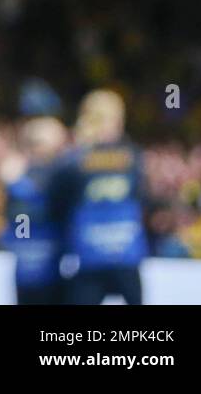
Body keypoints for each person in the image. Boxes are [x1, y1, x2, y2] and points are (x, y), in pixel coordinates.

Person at [51, 89, 149, 305]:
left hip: (89, 255)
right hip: (125, 252)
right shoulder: (133, 156)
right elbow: (144, 198)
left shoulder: (73, 160)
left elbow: (57, 200)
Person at [1, 116, 69, 304]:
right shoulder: (18, 175)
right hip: (29, 265)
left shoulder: (59, 173)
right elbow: (18, 220)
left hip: (54, 267)